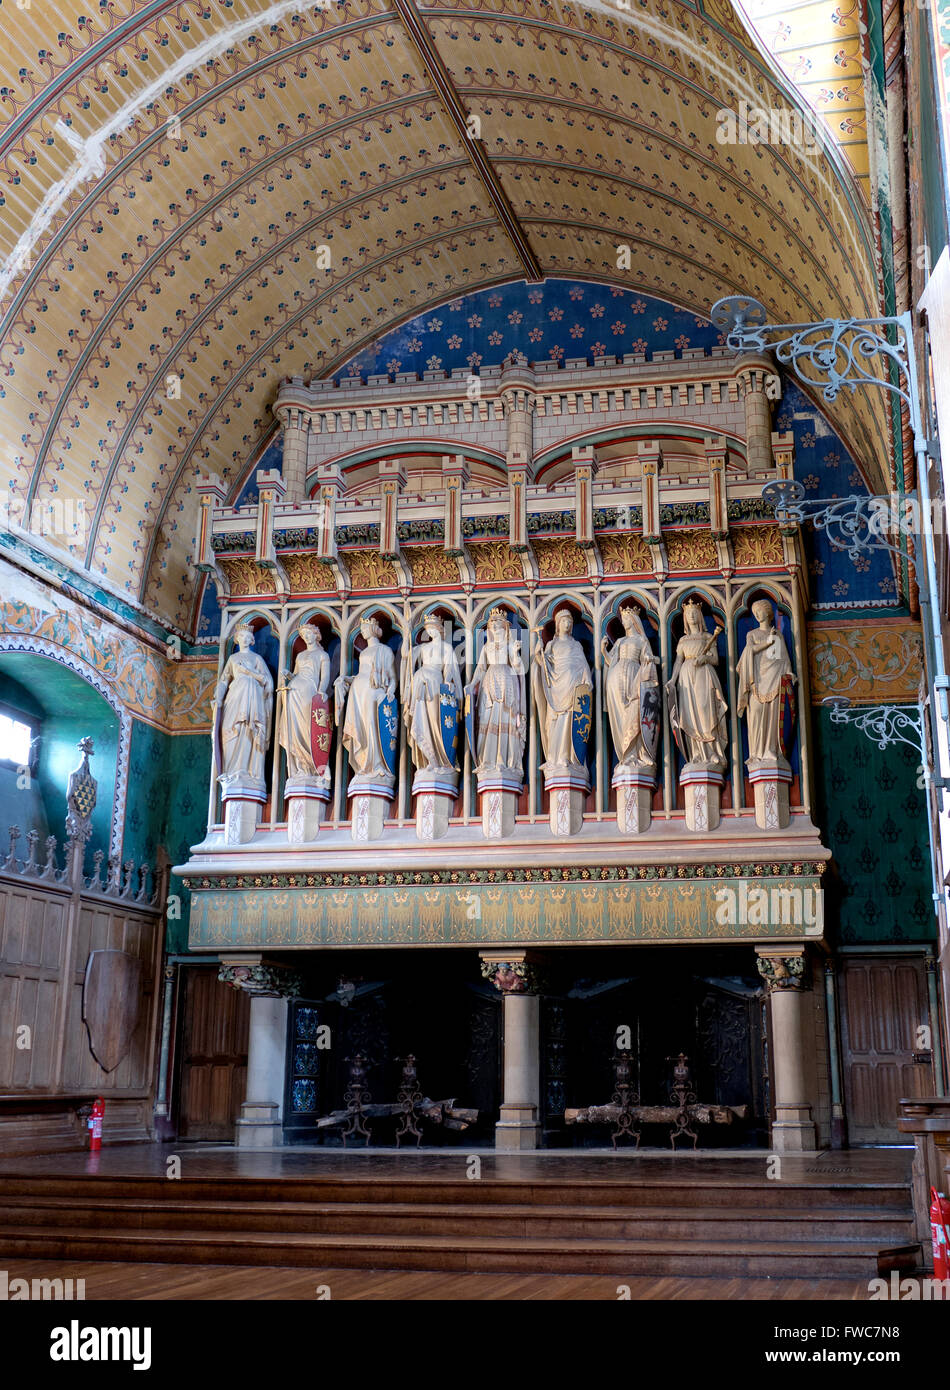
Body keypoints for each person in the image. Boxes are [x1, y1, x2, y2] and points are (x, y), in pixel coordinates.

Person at [666, 600, 728, 770]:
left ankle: (712, 751)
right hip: (686, 677)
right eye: (688, 614)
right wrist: (672, 679)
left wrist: (705, 658)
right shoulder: (683, 640)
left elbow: (715, 659)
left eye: (694, 613)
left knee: (706, 711)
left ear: (700, 615)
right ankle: (696, 754)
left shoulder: (708, 637)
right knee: (689, 714)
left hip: (704, 675)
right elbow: (678, 661)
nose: (691, 616)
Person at [335, 616, 398, 779]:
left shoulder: (384, 650)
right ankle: (364, 764)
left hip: (374, 691)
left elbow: (393, 677)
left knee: (372, 725)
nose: (362, 631)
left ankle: (376, 763)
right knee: (360, 726)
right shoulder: (363, 653)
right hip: (358, 690)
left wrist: (391, 691)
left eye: (364, 628)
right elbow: (361, 673)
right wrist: (346, 679)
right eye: (361, 628)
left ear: (373, 629)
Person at [465, 607, 526, 775]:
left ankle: (504, 760)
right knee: (488, 717)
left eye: (498, 621)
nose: (494, 623)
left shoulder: (510, 644)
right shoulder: (487, 647)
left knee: (505, 717)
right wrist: (472, 684)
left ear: (505, 625)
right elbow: (480, 669)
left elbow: (518, 667)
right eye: (492, 621)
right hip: (489, 683)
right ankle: (488, 760)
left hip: (506, 682)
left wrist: (515, 654)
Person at [532, 609, 592, 774]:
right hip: (556, 686)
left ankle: (568, 756)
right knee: (555, 721)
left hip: (572, 685)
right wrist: (538, 653)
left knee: (569, 720)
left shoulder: (576, 645)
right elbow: (544, 665)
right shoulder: (552, 644)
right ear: (558, 625)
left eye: (569, 621)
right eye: (564, 621)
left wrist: (587, 680)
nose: (567, 624)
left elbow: (583, 664)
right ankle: (554, 757)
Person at [736, 599, 796, 762]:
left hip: (775, 677)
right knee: (756, 712)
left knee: (773, 716)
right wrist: (767, 642)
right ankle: (756, 753)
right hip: (757, 679)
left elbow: (782, 657)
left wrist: (789, 672)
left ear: (768, 612)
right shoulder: (752, 634)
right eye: (755, 612)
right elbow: (749, 650)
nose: (757, 614)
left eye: (760, 610)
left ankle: (771, 750)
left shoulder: (777, 635)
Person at [602, 603, 660, 768]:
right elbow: (611, 661)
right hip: (616, 678)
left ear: (634, 620)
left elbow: (652, 659)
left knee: (635, 712)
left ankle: (640, 752)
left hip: (635, 675)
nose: (624, 622)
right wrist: (603, 650)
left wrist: (649, 659)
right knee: (621, 715)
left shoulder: (641, 640)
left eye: (627, 619)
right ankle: (627, 755)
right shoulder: (620, 641)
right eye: (623, 619)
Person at [214, 621, 273, 782]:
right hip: (235, 697)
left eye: (248, 637)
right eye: (242, 636)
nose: (245, 639)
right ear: (237, 638)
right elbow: (224, 680)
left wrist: (249, 672)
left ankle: (249, 772)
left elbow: (268, 682)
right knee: (231, 728)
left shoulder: (257, 658)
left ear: (252, 640)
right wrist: (218, 697)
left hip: (253, 698)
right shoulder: (233, 659)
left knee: (249, 729)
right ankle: (231, 771)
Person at [404, 614, 462, 771]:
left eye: (432, 628)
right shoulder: (423, 648)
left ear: (439, 629)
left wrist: (448, 681)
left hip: (436, 682)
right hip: (419, 682)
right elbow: (405, 656)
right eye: (427, 629)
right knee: (421, 718)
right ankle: (430, 759)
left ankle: (440, 757)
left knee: (435, 720)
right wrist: (407, 634)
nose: (430, 631)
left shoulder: (446, 648)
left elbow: (450, 667)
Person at [278, 623, 331, 778]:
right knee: (293, 728)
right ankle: (299, 766)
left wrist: (321, 691)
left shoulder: (322, 655)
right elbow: (296, 674)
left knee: (308, 727)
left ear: (316, 635)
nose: (306, 637)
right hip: (293, 692)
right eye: (303, 635)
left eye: (309, 633)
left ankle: (311, 765)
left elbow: (325, 676)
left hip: (309, 692)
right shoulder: (300, 655)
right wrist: (288, 675)